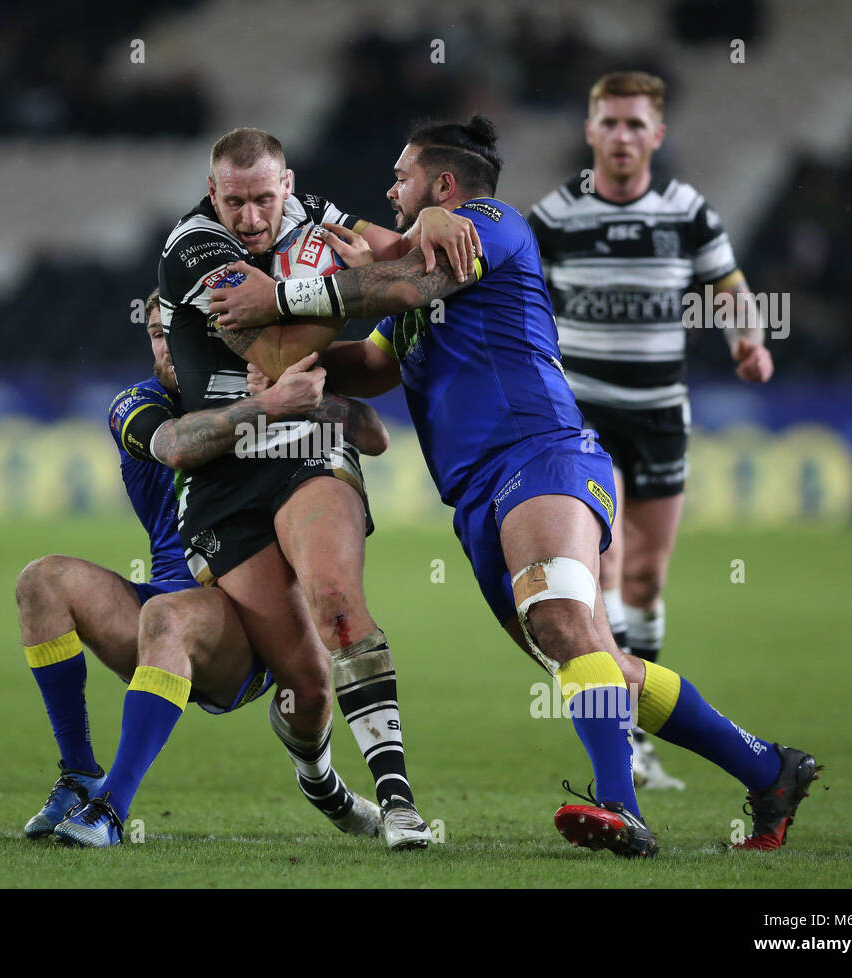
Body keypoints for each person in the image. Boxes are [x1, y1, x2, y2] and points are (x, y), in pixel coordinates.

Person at [210, 115, 819, 856]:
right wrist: (288, 366)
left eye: (402, 178)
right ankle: (770, 769)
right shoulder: (421, 268)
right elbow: (374, 364)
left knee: (562, 621)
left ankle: (621, 809)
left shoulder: (490, 224)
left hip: (539, 454)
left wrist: (278, 300)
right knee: (589, 659)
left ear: (443, 184)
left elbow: (406, 284)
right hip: (476, 498)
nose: (390, 191)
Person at [61, 129, 477, 851]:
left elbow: (407, 260)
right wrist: (351, 285)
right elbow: (282, 354)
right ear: (212, 193)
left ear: (287, 186)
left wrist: (430, 221)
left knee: (338, 602)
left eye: (264, 199)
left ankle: (400, 804)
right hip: (226, 477)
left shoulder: (314, 212)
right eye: (235, 202)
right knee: (306, 685)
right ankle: (319, 778)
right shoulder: (193, 248)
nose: (251, 218)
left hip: (307, 448)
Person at [16, 291, 389, 844]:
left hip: (251, 620)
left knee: (176, 621)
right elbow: (174, 445)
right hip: (164, 603)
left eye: (178, 332)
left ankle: (111, 812)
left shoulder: (268, 382)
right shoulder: (138, 404)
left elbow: (373, 434)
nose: (167, 346)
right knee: (41, 581)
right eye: (156, 334)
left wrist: (307, 401)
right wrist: (266, 406)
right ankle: (79, 776)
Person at [527, 71, 775, 790]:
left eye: (635, 124)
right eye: (609, 122)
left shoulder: (686, 211)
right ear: (590, 131)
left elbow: (727, 286)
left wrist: (748, 340)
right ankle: (626, 740)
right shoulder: (556, 215)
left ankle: (641, 730)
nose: (622, 136)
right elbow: (517, 292)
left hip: (662, 413)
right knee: (601, 571)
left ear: (657, 135)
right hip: (582, 417)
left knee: (644, 576)